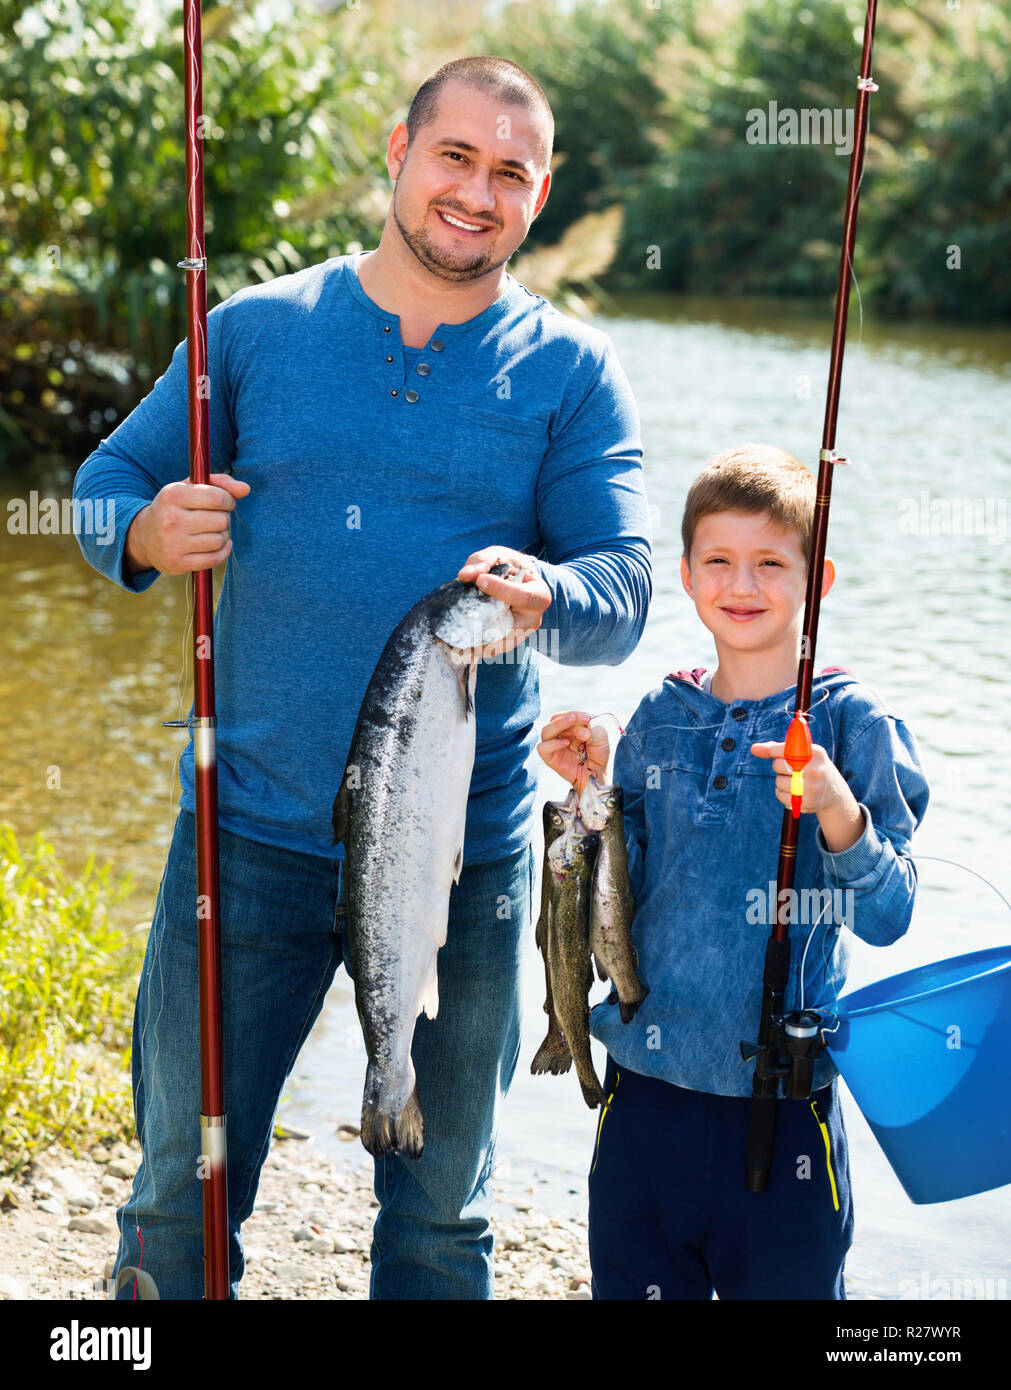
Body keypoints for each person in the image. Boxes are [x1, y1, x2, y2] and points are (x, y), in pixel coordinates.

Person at [72, 55, 652, 1300]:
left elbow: (626, 589)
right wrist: (142, 532)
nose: (476, 193)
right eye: (455, 156)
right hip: (244, 836)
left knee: (442, 1215)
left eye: (511, 174)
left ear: (538, 197)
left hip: (468, 863)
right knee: (182, 1188)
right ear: (398, 148)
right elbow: (102, 482)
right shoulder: (257, 331)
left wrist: (551, 595)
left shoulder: (572, 374)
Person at [538, 443, 928, 1300]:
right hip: (643, 1095)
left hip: (780, 1109)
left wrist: (835, 809)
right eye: (718, 560)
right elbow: (618, 891)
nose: (741, 585)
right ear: (683, 574)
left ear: (814, 579)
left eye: (769, 563)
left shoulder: (853, 720)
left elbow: (890, 915)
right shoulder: (659, 714)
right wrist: (595, 784)